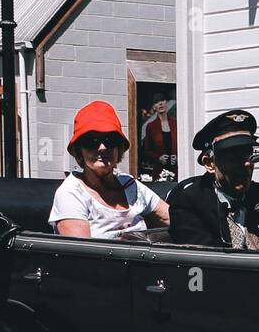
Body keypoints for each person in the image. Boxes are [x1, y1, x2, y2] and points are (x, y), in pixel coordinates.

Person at [49, 100, 169, 240]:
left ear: (119, 148)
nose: (102, 148)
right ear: (79, 151)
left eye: (110, 140)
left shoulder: (131, 186)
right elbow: (81, 255)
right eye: (91, 141)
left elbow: (175, 219)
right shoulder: (71, 194)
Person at [167, 110, 259, 249]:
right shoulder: (189, 200)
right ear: (209, 164)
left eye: (249, 153)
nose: (247, 163)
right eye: (234, 156)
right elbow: (208, 261)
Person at [140, 98, 177, 180]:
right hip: (159, 172)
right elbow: (147, 151)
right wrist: (158, 158)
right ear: (154, 107)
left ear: (166, 103)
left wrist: (178, 156)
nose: (160, 103)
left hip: (177, 171)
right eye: (156, 102)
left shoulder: (176, 124)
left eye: (163, 100)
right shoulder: (151, 126)